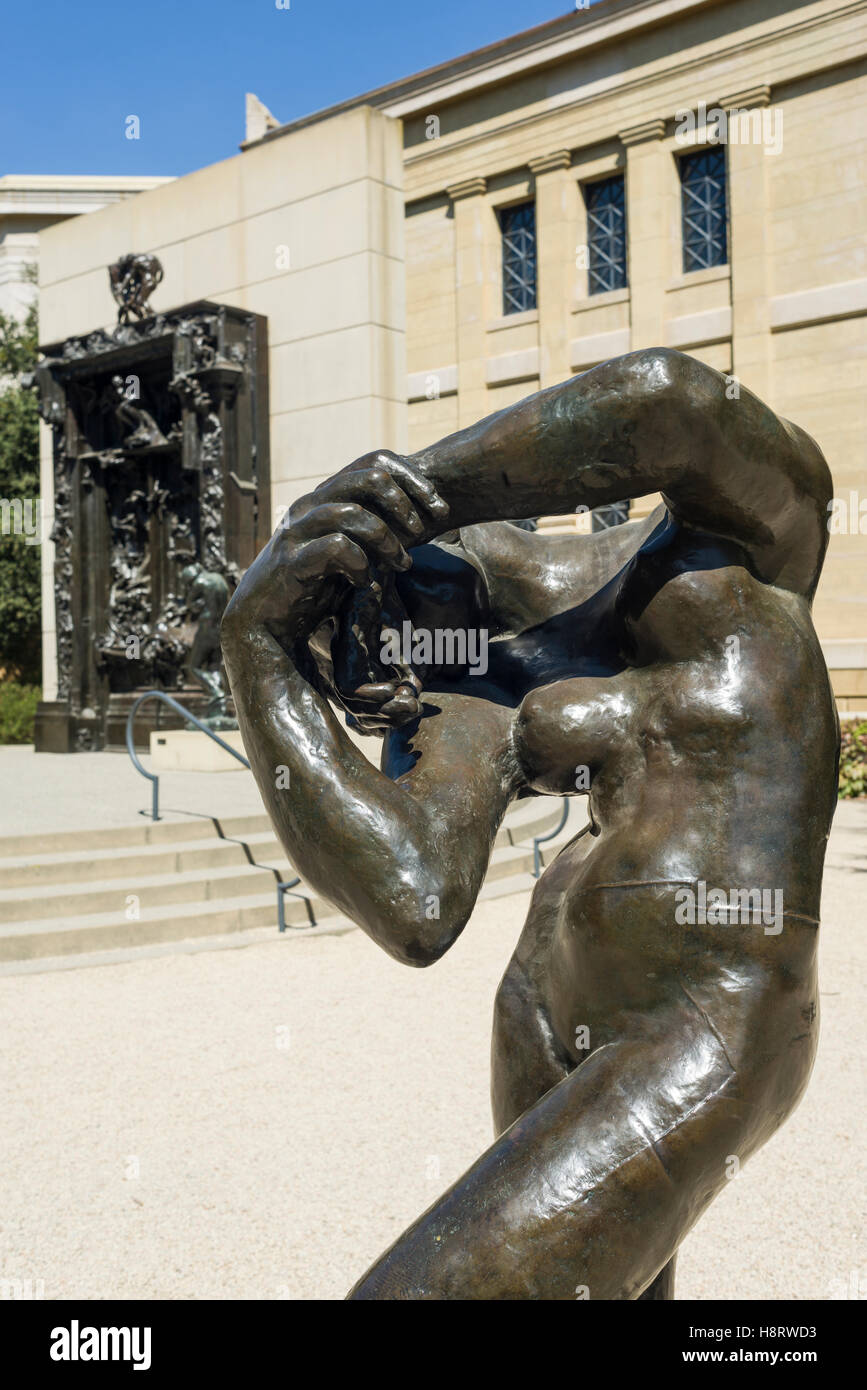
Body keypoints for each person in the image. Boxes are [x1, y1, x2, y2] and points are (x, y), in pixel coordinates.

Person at [221, 347, 838, 1300]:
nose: (373, 685)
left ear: (386, 567)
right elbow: (413, 902)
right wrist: (255, 651)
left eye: (344, 637)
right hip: (542, 1016)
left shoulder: (733, 543)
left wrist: (417, 489)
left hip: (705, 1018)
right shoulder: (477, 691)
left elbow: (672, 402)